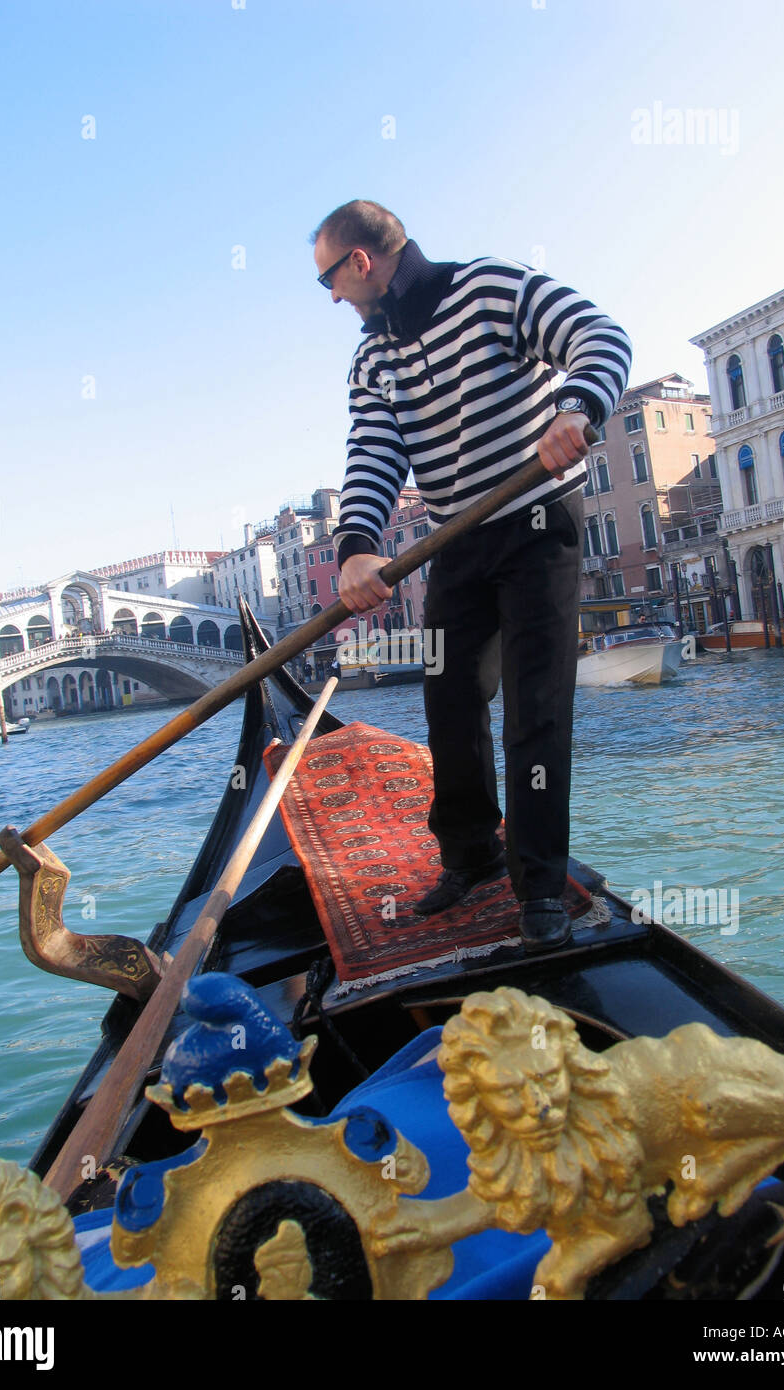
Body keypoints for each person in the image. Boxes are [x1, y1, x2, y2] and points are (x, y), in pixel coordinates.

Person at [313, 201, 632, 951]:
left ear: (360, 262)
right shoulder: (371, 359)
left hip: (535, 524)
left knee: (535, 710)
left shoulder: (488, 286)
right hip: (452, 544)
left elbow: (600, 336)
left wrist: (576, 406)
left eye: (328, 278)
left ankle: (541, 888)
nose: (329, 296)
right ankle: (471, 855)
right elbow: (374, 451)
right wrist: (356, 543)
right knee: (448, 701)